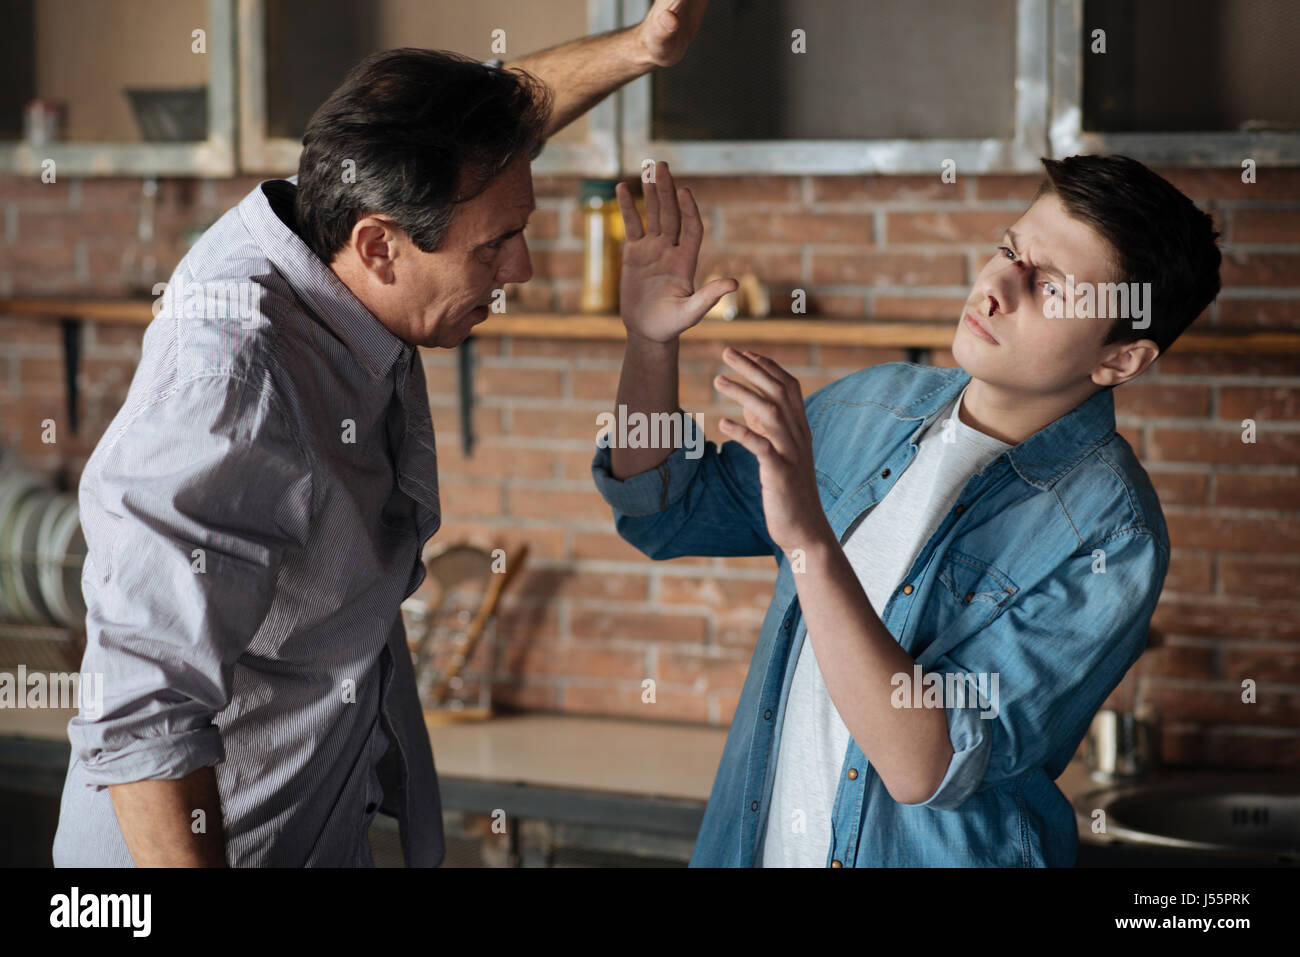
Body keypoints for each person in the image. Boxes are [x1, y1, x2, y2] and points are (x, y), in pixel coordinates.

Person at [52, 0, 712, 868]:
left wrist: (639, 47)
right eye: (497, 247)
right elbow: (139, 714)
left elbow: (489, 134)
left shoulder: (344, 216)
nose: (521, 270)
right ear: (382, 248)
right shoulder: (232, 379)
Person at [591, 156, 1221, 866]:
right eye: (1010, 250)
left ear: (1120, 359)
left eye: (1048, 286)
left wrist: (808, 538)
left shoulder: (1113, 533)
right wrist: (649, 342)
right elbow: (664, 508)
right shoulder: (869, 406)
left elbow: (928, 763)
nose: (994, 287)